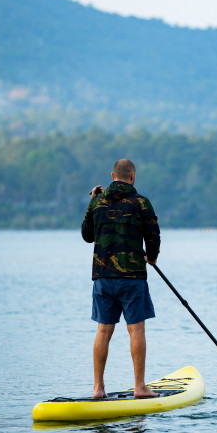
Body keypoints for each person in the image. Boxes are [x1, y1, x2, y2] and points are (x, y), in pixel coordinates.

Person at [81, 158, 161, 399]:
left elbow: (87, 235)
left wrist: (92, 201)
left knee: (103, 331)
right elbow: (153, 236)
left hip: (103, 277)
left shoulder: (97, 202)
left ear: (112, 176)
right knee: (136, 330)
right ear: (133, 176)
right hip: (132, 277)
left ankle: (98, 389)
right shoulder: (141, 203)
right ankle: (140, 387)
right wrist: (152, 257)